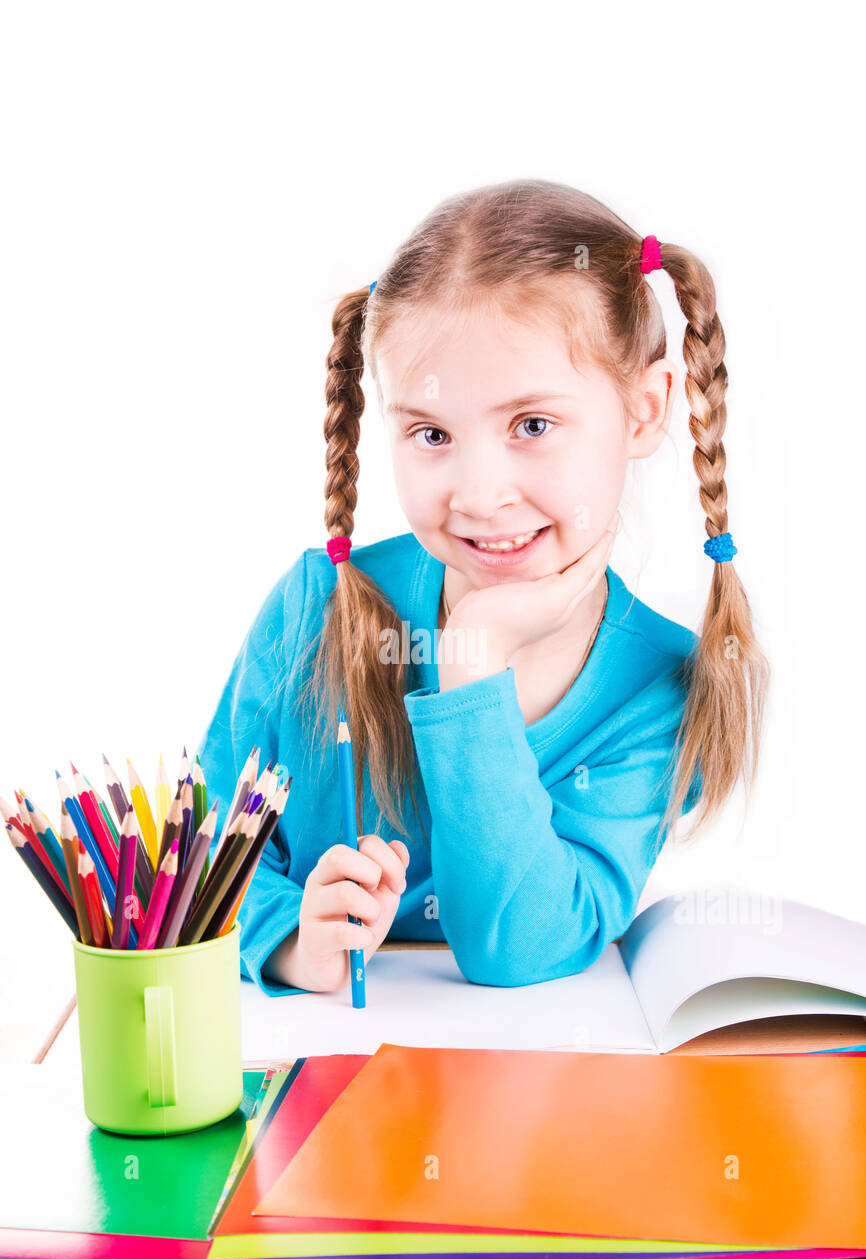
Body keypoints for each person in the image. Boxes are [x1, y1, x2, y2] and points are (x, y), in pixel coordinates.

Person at [194, 178, 769, 995]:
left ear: (644, 412)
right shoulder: (319, 606)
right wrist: (290, 938)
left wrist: (473, 663)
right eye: (431, 434)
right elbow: (202, 854)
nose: (479, 494)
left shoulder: (660, 688)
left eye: (532, 426)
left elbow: (523, 950)